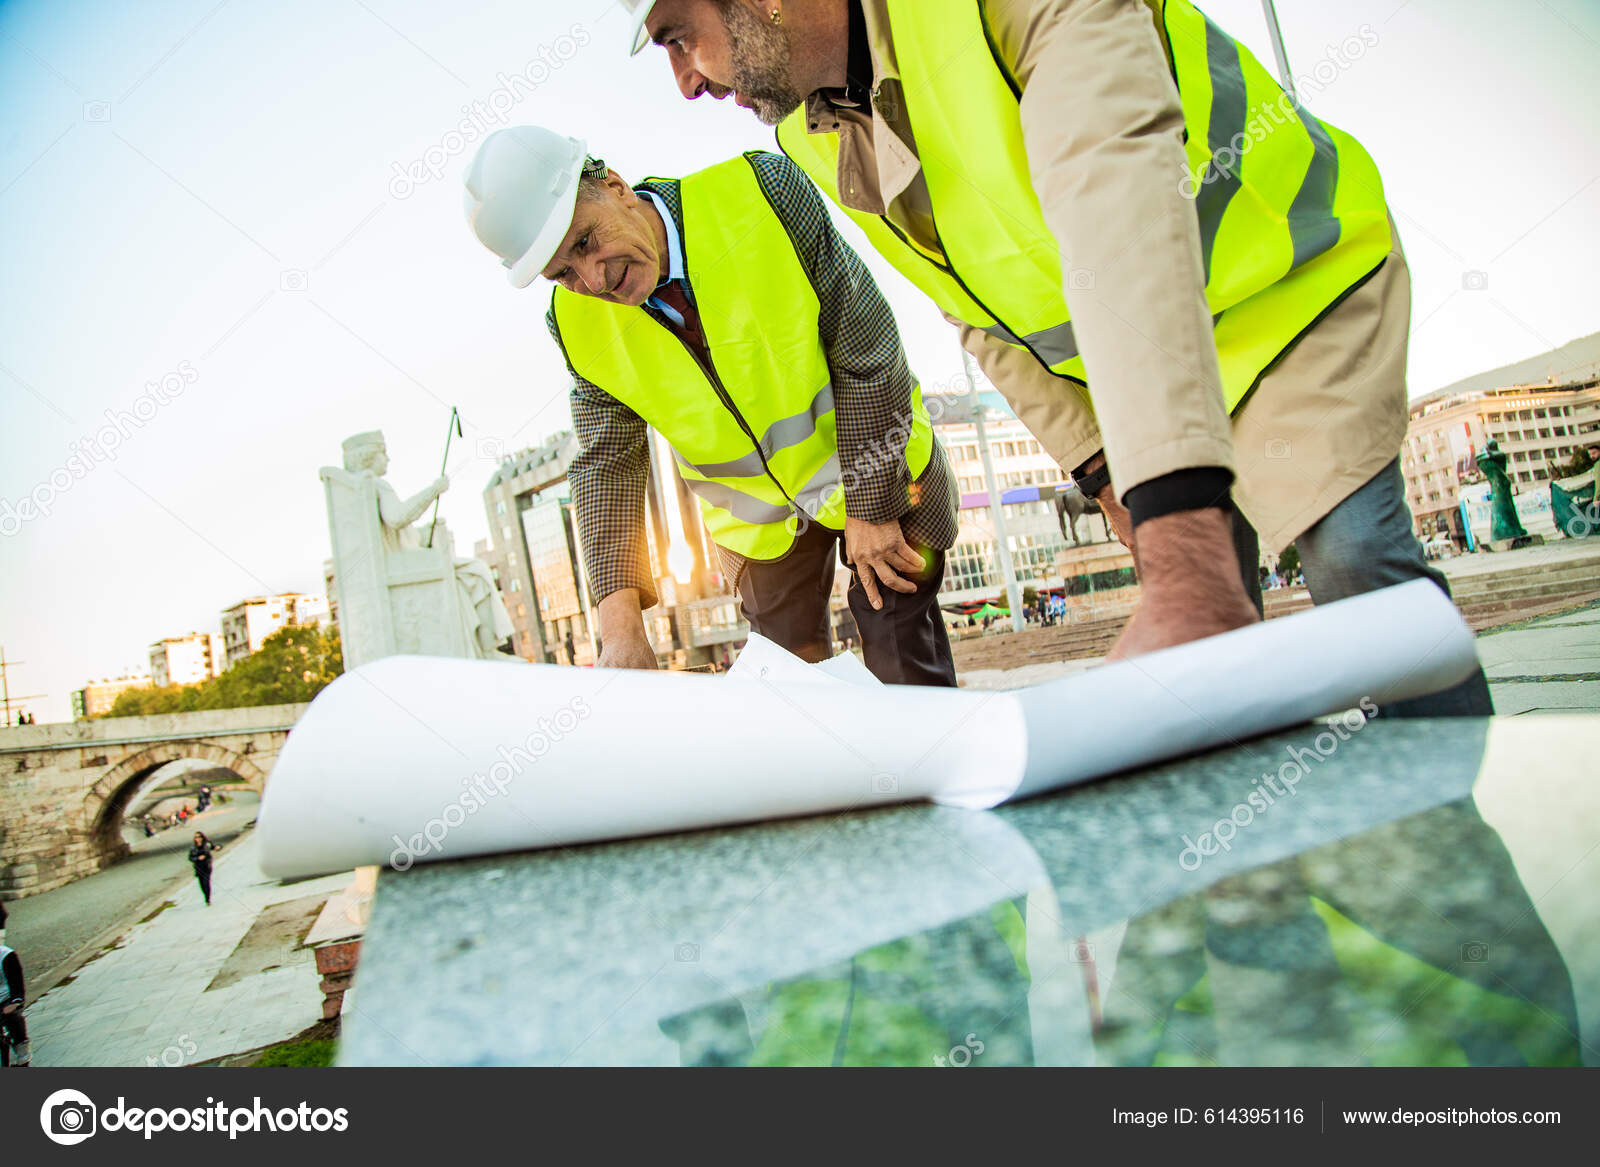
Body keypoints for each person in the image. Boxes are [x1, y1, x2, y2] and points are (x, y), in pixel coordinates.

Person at [626, 0, 1493, 717]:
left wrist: (1180, 540)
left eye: (677, 34)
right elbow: (972, 309)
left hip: (1279, 291)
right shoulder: (815, 133)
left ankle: (1470, 882)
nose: (687, 82)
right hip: (1142, 380)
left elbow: (1118, 202)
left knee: (1351, 558)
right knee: (1220, 675)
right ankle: (1255, 898)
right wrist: (1103, 467)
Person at [463, 125, 960, 685]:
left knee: (904, 661)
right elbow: (608, 464)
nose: (594, 279)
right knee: (794, 694)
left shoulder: (760, 195)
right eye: (564, 274)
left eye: (585, 241)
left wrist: (872, 507)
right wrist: (620, 625)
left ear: (616, 187)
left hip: (875, 469)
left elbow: (866, 350)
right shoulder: (574, 323)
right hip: (762, 527)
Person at [0, 904, 27, 1066]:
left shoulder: (6, 955)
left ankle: (22, 1047)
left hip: (6, 998)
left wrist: (16, 1000)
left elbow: (17, 984)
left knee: (12, 1017)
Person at [188, 832, 221, 906]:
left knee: (206, 883)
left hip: (207, 866)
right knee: (202, 885)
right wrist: (197, 858)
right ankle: (206, 896)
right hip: (198, 868)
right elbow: (190, 857)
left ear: (202, 837)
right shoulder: (193, 848)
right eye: (196, 837)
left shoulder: (207, 845)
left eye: (199, 837)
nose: (198, 839)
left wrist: (218, 847)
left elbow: (215, 847)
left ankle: (207, 899)